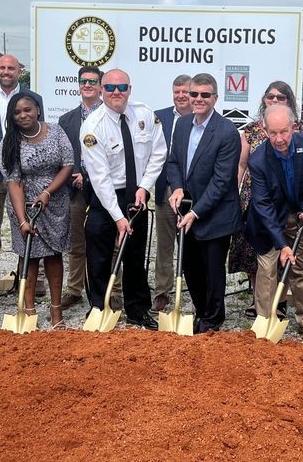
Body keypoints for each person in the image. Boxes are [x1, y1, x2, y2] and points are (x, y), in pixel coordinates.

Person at [80, 68, 166, 330]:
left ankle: (138, 311)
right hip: (105, 197)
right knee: (99, 257)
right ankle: (99, 307)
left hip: (136, 193)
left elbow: (158, 154)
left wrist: (145, 187)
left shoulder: (145, 114)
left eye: (122, 87)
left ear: (130, 89)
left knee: (135, 256)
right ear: (101, 90)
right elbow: (100, 178)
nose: (116, 92)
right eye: (110, 88)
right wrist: (118, 217)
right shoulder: (92, 128)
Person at [245, 105, 303, 343]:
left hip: (300, 216)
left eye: (284, 132)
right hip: (267, 221)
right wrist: (282, 244)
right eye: (273, 133)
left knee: (302, 268)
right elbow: (262, 205)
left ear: (294, 127)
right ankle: (265, 319)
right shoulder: (258, 159)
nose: (279, 139)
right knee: (267, 269)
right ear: (263, 129)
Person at [166, 73, 242, 333]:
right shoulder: (183, 124)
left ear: (215, 98)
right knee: (191, 268)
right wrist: (176, 187)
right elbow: (173, 161)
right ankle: (201, 312)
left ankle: (212, 320)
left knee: (212, 273)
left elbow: (222, 182)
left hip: (215, 215)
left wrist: (196, 212)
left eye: (205, 95)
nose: (198, 99)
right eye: (194, 94)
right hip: (185, 211)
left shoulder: (227, 132)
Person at [229, 81, 303, 318]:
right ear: (263, 100)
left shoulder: (301, 129)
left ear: (289, 102)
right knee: (257, 254)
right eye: (269, 96)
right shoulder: (252, 130)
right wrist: (236, 198)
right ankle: (259, 301)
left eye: (280, 97)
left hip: (289, 202)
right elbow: (242, 165)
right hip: (256, 198)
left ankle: (281, 301)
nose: (274, 100)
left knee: (287, 252)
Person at [0, 91, 74, 329]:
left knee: (54, 255)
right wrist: (22, 220)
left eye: (27, 110)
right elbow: (14, 181)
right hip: (24, 205)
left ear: (38, 110)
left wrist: (47, 192)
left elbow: (67, 165)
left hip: (55, 203)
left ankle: (56, 311)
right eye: (17, 112)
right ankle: (28, 311)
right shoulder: (9, 142)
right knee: (28, 256)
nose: (23, 115)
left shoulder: (55, 132)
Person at [0, 54, 44, 294]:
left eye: (11, 68)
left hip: (25, 175)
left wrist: (12, 156)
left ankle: (32, 278)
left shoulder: (34, 98)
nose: (6, 72)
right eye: (2, 68)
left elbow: (38, 133)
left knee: (28, 224)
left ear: (19, 70)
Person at [57, 66, 108, 310]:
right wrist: (76, 174)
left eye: (92, 81)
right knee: (76, 242)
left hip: (104, 187)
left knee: (110, 242)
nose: (87, 85)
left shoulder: (111, 115)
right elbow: (64, 154)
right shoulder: (66, 120)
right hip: (75, 188)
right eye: (83, 81)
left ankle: (113, 290)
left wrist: (88, 175)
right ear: (78, 85)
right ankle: (75, 290)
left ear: (100, 86)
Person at [151, 74, 193, 314]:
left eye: (185, 91)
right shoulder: (160, 117)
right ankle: (162, 292)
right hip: (166, 189)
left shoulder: (200, 117)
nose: (181, 96)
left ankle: (193, 287)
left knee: (191, 243)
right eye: (176, 91)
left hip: (193, 192)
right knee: (165, 244)